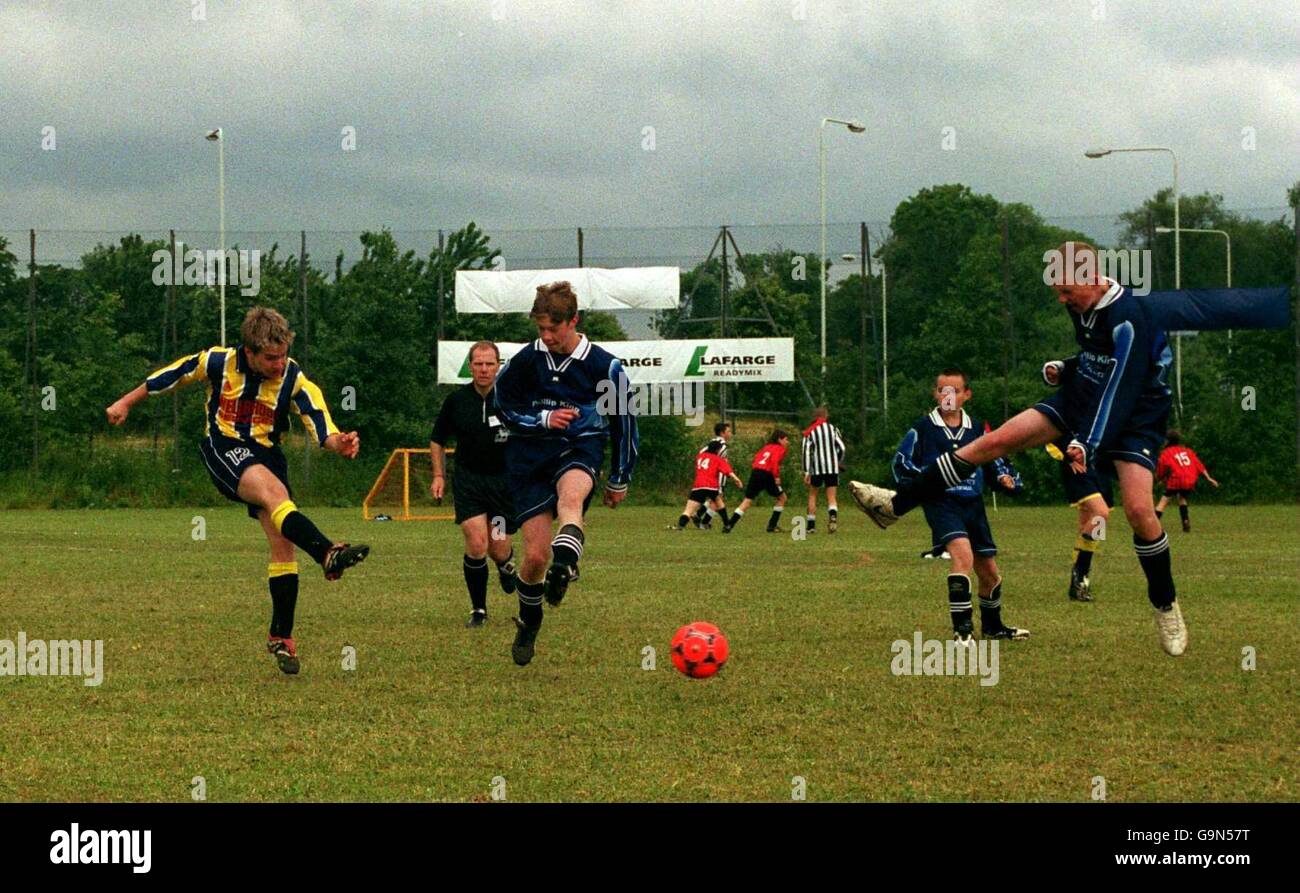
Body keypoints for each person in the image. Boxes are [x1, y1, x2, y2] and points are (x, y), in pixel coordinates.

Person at [850, 241, 1188, 656]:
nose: (1063, 301)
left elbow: (1120, 387)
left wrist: (1086, 441)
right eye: (1059, 294)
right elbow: (1095, 357)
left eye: (1067, 292)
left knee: (1139, 511)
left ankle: (1165, 603)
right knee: (991, 442)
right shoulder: (1082, 307)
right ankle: (894, 506)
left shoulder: (1131, 318)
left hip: (1135, 414)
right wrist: (1065, 368)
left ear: (1090, 277)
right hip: (1082, 397)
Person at [105, 307, 369, 675]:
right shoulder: (218, 362)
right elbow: (174, 374)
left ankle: (281, 636)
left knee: (282, 543)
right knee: (278, 499)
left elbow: (319, 421)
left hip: (268, 456)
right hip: (225, 448)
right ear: (250, 352)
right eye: (271, 358)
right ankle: (326, 552)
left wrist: (338, 442)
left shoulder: (293, 377)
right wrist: (126, 401)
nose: (279, 364)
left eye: (283, 356)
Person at [494, 281, 638, 666]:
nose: (546, 336)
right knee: (535, 556)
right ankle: (530, 620)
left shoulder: (604, 366)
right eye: (540, 329)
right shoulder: (525, 362)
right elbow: (502, 406)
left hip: (579, 448)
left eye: (553, 329)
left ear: (573, 320)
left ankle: (566, 565)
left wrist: (619, 477)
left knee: (571, 498)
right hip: (529, 458)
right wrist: (542, 418)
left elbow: (624, 421)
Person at [894, 369, 1027, 642]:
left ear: (967, 395)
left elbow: (994, 458)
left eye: (954, 391)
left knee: (989, 573)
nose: (948, 396)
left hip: (973, 505)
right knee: (962, 556)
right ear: (935, 394)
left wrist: (1004, 478)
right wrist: (923, 483)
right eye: (943, 390)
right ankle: (962, 629)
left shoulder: (977, 428)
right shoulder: (923, 429)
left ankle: (992, 627)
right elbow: (901, 465)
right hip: (942, 503)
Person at [430, 340, 519, 628]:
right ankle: (478, 610)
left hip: (502, 486)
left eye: (489, 364)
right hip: (469, 482)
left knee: (498, 547)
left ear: (498, 366)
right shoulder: (457, 401)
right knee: (477, 543)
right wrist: (439, 476)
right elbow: (437, 440)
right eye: (478, 364)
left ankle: (506, 566)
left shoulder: (510, 399)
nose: (483, 369)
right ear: (470, 367)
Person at [1042, 359, 1113, 603]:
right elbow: (1051, 437)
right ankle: (1080, 572)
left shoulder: (1114, 384)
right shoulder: (1083, 371)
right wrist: (1066, 456)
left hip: (1100, 465)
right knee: (1101, 515)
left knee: (1092, 524)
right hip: (1078, 466)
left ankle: (1079, 581)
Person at [723, 429, 790, 533]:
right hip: (767, 474)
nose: (787, 442)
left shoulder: (766, 447)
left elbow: (756, 459)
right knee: (782, 498)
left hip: (756, 472)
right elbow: (774, 462)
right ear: (779, 440)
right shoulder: (780, 448)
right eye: (786, 439)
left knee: (747, 501)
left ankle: (729, 525)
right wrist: (776, 477)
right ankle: (772, 526)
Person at [670, 439, 744, 530]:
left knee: (688, 510)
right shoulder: (717, 459)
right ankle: (727, 524)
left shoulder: (699, 457)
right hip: (711, 486)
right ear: (717, 450)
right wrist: (737, 480)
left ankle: (681, 525)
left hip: (698, 486)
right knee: (719, 502)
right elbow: (728, 471)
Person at [1155, 430, 1219, 532]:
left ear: (1167, 441)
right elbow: (1199, 465)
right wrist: (1208, 478)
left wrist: (1159, 478)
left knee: (1163, 501)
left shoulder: (1166, 453)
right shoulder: (1187, 451)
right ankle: (1185, 521)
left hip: (1176, 480)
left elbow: (1162, 468)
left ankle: (1152, 526)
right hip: (1189, 479)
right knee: (1182, 497)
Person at [801, 406, 846, 534]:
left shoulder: (809, 432)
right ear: (826, 416)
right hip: (832, 468)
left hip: (816, 469)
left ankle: (810, 526)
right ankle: (832, 517)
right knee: (831, 496)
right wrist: (837, 461)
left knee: (812, 495)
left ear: (814, 417)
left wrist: (806, 471)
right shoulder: (833, 429)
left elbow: (805, 452)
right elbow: (842, 448)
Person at [691, 422, 734, 528]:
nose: (730, 433)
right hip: (717, 476)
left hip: (707, 474)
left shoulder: (713, 442)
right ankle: (704, 522)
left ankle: (699, 516)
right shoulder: (722, 445)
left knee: (713, 499)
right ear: (722, 433)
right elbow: (719, 463)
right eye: (728, 431)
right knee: (717, 499)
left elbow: (701, 453)